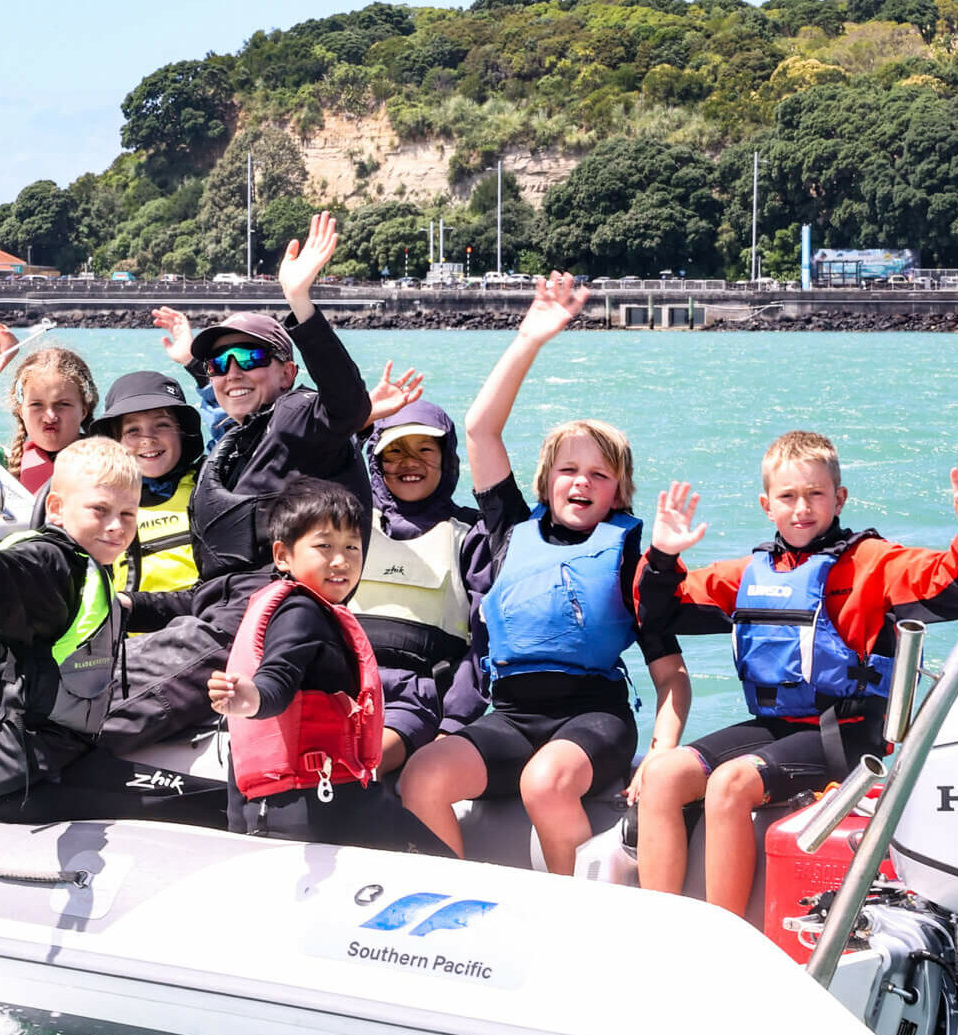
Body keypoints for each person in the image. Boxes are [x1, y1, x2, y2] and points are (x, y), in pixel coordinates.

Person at [632, 432, 958, 915]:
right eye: (788, 497)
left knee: (729, 784)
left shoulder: (875, 563)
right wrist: (661, 557)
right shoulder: (753, 574)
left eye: (815, 494)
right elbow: (661, 610)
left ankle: (724, 936)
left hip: (842, 737)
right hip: (777, 729)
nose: (801, 508)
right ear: (767, 505)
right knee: (662, 775)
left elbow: (957, 590)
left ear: (839, 498)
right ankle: (655, 922)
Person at [399, 274, 691, 875]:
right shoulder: (509, 528)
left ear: (618, 493)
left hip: (596, 719)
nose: (581, 482)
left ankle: (572, 908)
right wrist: (529, 338)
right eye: (568, 469)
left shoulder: (632, 550)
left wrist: (663, 751)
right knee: (422, 775)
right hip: (510, 716)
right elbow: (481, 429)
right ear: (546, 480)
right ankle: (464, 897)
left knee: (545, 783)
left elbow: (671, 674)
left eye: (599, 474)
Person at [98, 213, 407, 755]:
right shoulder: (238, 444)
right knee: (80, 672)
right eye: (219, 364)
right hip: (220, 617)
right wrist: (130, 606)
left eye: (251, 357)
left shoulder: (299, 417)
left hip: (264, 627)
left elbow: (346, 405)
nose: (231, 371)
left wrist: (302, 303)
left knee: (88, 710)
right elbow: (215, 588)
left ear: (287, 372)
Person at [0, 438, 223, 827]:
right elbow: (2, 575)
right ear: (57, 509)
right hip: (24, 778)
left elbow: (119, 609)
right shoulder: (49, 559)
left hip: (52, 758)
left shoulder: (84, 567)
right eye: (100, 510)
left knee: (201, 793)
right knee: (211, 803)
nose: (116, 526)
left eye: (128, 514)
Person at [208, 478, 451, 853]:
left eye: (352, 546)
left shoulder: (313, 608)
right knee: (439, 864)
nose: (341, 561)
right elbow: (277, 678)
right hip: (307, 808)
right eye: (324, 546)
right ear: (282, 555)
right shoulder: (300, 612)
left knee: (435, 859)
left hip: (328, 794)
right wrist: (250, 699)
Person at [352, 398, 487, 775]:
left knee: (362, 763)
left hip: (415, 701)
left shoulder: (471, 536)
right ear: (376, 462)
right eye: (393, 452)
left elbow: (485, 642)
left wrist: (455, 723)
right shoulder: (350, 526)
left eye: (425, 449)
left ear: (447, 458)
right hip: (341, 690)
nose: (409, 463)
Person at [0, 316, 96, 494]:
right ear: (21, 410)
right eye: (37, 405)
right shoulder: (9, 466)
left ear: (84, 410)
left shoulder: (111, 463)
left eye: (63, 404)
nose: (50, 416)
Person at [87, 370, 205, 595]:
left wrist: (195, 367)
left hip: (206, 621)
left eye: (161, 425)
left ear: (182, 433)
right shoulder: (100, 503)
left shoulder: (209, 485)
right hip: (135, 626)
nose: (148, 439)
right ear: (116, 442)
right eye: (133, 430)